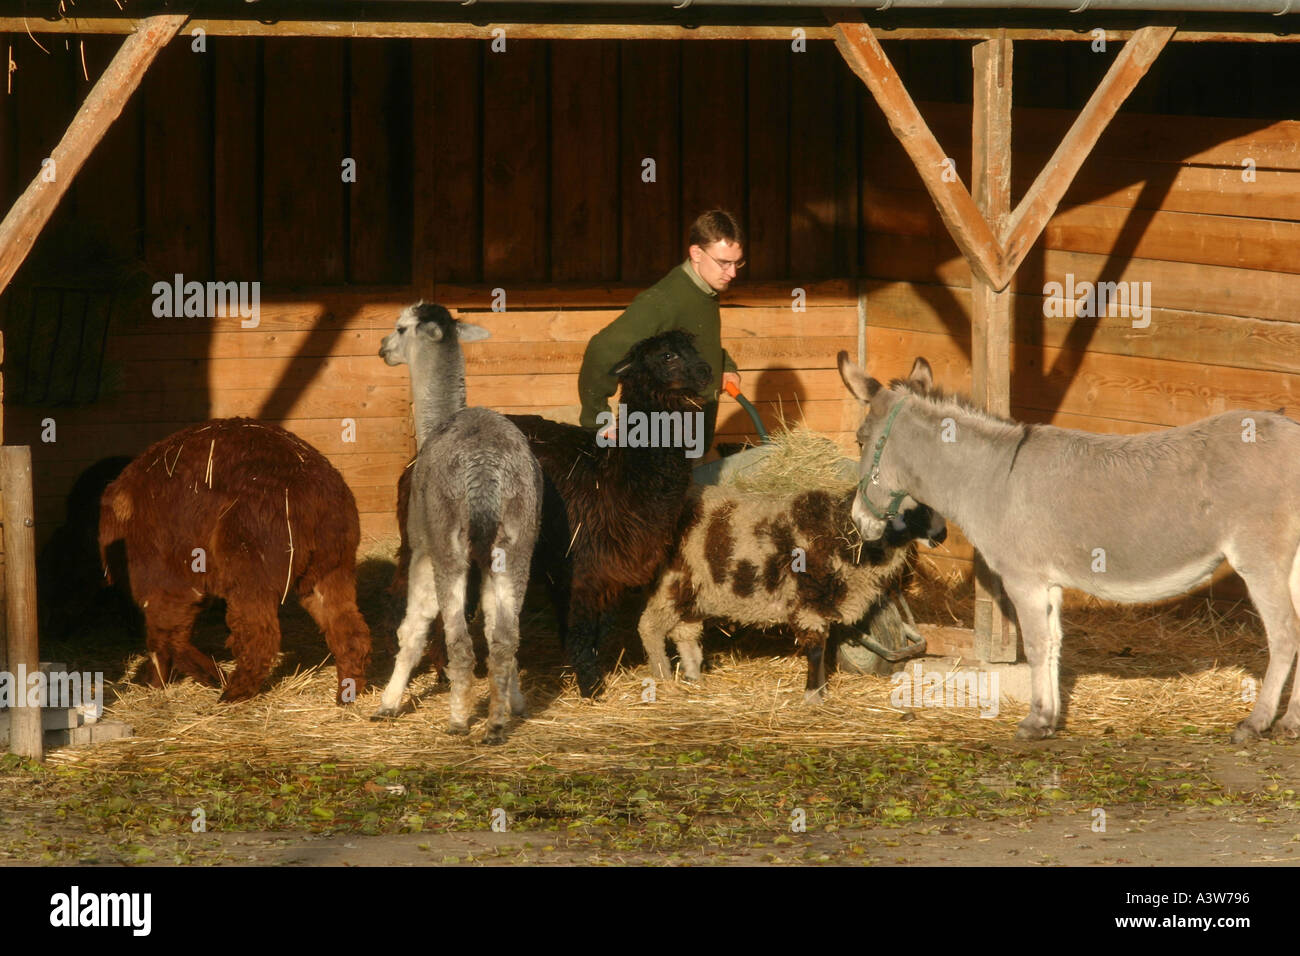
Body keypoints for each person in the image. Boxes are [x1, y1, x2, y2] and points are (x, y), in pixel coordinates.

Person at [577, 209, 744, 454]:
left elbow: (695, 343)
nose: (733, 273)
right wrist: (598, 422)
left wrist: (725, 366)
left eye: (737, 262)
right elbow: (602, 351)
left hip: (691, 441)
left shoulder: (705, 290)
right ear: (696, 253)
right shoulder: (663, 301)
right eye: (724, 263)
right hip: (663, 444)